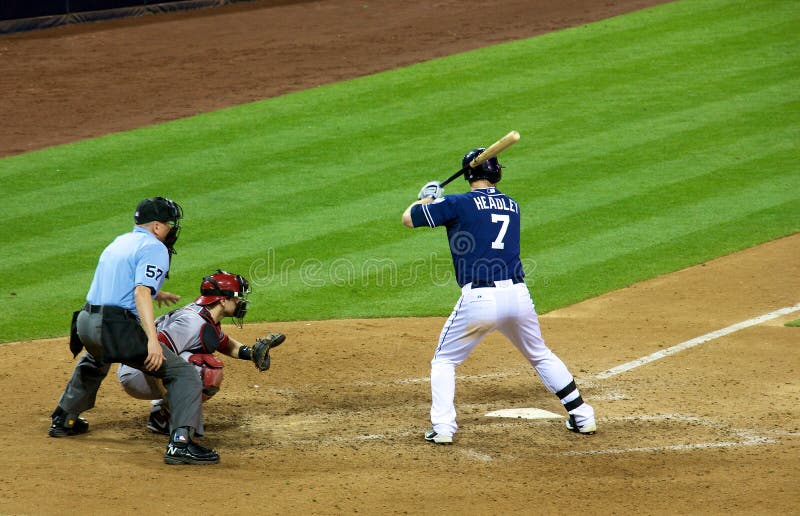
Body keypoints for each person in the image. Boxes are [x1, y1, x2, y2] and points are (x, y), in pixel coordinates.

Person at [402, 148, 596, 445]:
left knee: (444, 361)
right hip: (518, 296)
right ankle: (583, 416)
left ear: (468, 174)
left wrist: (429, 196)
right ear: (495, 172)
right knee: (540, 353)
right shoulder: (511, 205)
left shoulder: (457, 203)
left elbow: (409, 218)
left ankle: (442, 428)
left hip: (480, 299)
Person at [49, 196, 221, 465]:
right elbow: (140, 292)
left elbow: (118, 284)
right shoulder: (155, 248)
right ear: (155, 227)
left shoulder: (120, 242)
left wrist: (157, 292)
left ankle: (64, 417)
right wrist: (152, 340)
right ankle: (181, 444)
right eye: (167, 224)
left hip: (84, 322)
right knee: (183, 374)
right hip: (113, 327)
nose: (170, 229)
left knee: (97, 357)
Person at [117, 269, 285, 436]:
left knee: (196, 360)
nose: (240, 301)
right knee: (207, 369)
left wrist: (250, 352)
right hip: (137, 371)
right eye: (235, 297)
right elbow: (155, 353)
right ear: (222, 301)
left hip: (141, 367)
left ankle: (163, 413)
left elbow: (222, 342)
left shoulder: (205, 315)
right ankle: (165, 416)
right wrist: (168, 396)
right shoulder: (191, 324)